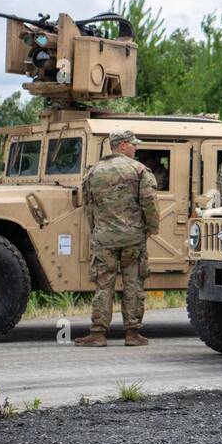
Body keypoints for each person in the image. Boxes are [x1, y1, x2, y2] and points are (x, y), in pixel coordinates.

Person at [74, 130, 160, 347]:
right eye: (133, 144)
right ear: (122, 145)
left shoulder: (94, 172)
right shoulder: (139, 170)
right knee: (133, 284)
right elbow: (149, 202)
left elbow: (88, 205)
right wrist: (151, 228)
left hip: (104, 239)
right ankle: (132, 334)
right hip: (133, 238)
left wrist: (97, 229)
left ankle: (98, 334)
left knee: (103, 285)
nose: (136, 148)